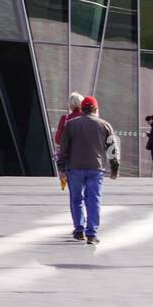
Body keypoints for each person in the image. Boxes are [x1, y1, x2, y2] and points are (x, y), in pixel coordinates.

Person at [59, 95, 120, 245]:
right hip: (96, 169)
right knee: (94, 200)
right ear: (95, 109)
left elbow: (63, 149)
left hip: (74, 169)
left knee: (76, 199)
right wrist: (114, 168)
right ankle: (91, 233)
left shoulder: (71, 125)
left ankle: (79, 230)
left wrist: (61, 168)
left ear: (82, 108)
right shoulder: (105, 125)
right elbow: (112, 149)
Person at [53, 93, 82, 166]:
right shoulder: (87, 119)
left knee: (67, 176)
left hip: (67, 156)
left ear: (69, 104)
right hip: (82, 156)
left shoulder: (65, 118)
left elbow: (57, 139)